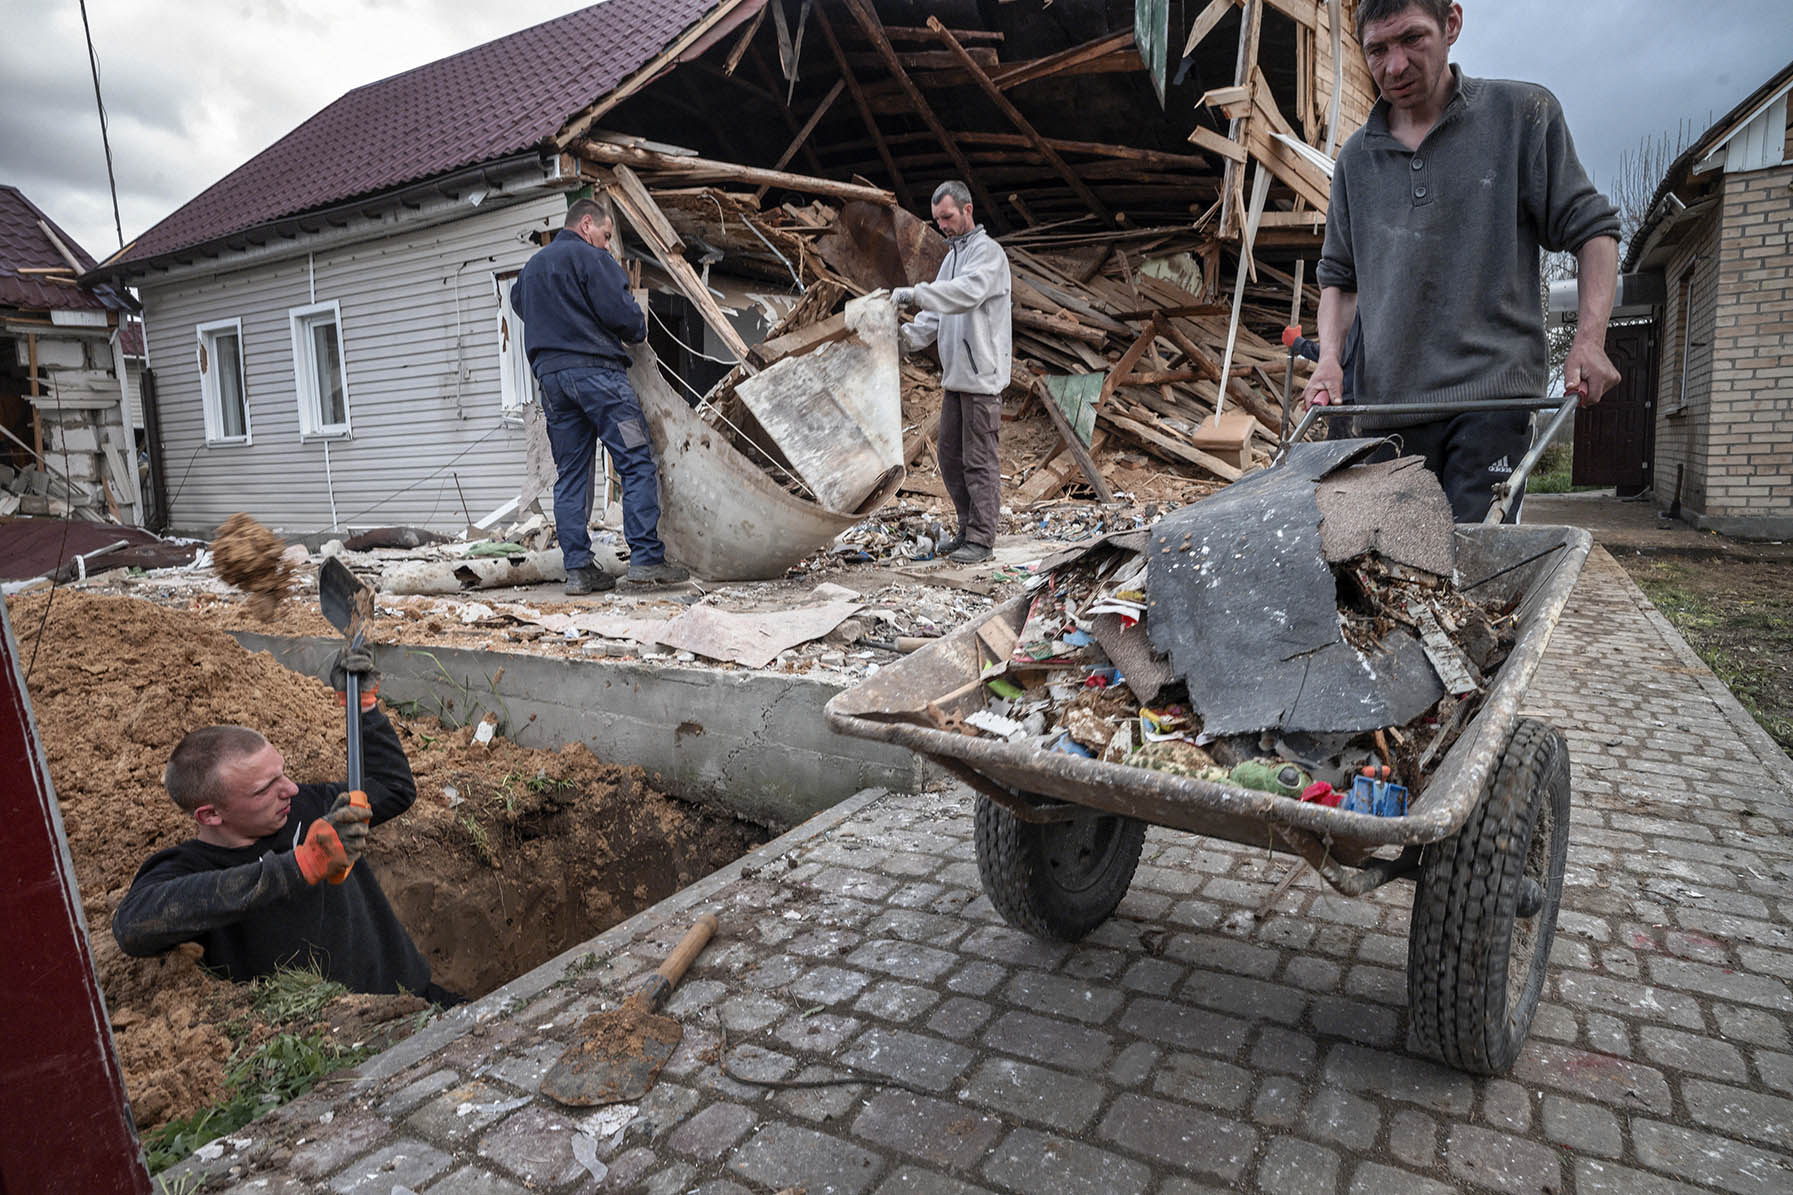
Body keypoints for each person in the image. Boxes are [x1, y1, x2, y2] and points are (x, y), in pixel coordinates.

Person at [1302, 0, 1621, 522]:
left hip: (1492, 403)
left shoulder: (1521, 116)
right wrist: (1330, 361)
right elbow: (1339, 279)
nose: (1395, 66)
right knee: (1390, 564)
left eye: (1412, 39)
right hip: (1389, 413)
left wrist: (1589, 340)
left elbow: (1594, 232)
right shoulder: (1356, 160)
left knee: (1470, 558)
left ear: (1451, 23)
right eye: (1377, 49)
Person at [112, 648, 460, 1005]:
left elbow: (392, 788)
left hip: (413, 998)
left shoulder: (305, 807)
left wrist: (364, 707)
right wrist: (303, 864)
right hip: (340, 1031)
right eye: (265, 788)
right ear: (210, 816)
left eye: (282, 772)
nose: (290, 788)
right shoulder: (189, 868)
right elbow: (132, 926)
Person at [510, 198, 689, 592]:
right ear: (586, 224)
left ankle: (578, 569)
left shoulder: (531, 270)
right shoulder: (594, 260)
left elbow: (521, 305)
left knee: (572, 474)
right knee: (636, 461)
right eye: (606, 235)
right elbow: (629, 322)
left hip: (553, 385)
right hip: (600, 380)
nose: (608, 244)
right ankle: (646, 559)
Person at [892, 181, 1013, 564]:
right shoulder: (952, 258)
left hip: (981, 379)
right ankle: (967, 529)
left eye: (947, 217)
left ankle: (982, 538)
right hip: (957, 378)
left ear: (967, 210)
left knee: (979, 460)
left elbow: (966, 294)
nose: (942, 225)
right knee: (950, 457)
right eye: (937, 220)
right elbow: (935, 314)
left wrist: (916, 293)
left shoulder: (988, 254)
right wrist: (903, 339)